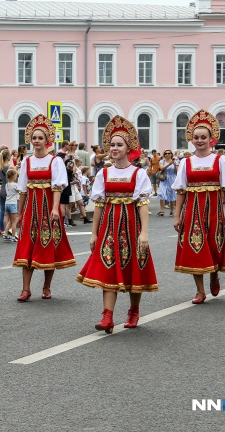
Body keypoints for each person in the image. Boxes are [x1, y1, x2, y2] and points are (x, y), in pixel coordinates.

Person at [77, 116, 157, 332]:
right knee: (108, 268)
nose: (114, 148)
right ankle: (107, 316)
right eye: (112, 145)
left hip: (131, 227)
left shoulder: (138, 173)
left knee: (133, 268)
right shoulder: (104, 173)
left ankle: (133, 309)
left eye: (119, 145)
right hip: (109, 228)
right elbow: (99, 206)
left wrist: (144, 233)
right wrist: (93, 234)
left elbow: (142, 204)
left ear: (128, 147)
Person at [172, 110, 225, 304]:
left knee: (214, 246)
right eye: (196, 137)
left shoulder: (220, 160)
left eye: (203, 137)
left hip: (214, 210)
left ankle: (214, 273)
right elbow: (181, 191)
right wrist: (177, 216)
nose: (199, 141)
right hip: (192, 211)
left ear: (211, 139)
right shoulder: (186, 162)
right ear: (192, 139)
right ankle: (200, 291)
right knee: (194, 248)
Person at [13, 114, 76, 302]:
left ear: (47, 140)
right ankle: (26, 289)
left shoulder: (54, 161)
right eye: (34, 138)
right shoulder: (27, 161)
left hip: (48, 208)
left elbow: (57, 187)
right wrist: (20, 213)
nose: (37, 141)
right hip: (31, 209)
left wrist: (56, 208)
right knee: (28, 247)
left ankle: (46, 287)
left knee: (48, 245)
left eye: (40, 138)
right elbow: (23, 189)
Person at [157, 150, 178, 216]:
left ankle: (172, 211)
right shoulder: (162, 161)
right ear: (164, 155)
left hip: (172, 179)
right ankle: (162, 211)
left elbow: (177, 172)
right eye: (166, 153)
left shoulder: (175, 161)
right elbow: (162, 168)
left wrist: (175, 164)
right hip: (164, 178)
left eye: (169, 153)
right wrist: (169, 164)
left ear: (171, 154)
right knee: (161, 193)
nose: (167, 155)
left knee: (172, 195)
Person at [3, 168, 19, 243]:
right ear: (13, 177)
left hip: (7, 203)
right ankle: (13, 236)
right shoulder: (15, 185)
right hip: (13, 204)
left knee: (10, 220)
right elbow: (20, 190)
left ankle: (5, 233)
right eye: (16, 176)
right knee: (14, 222)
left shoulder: (7, 185)